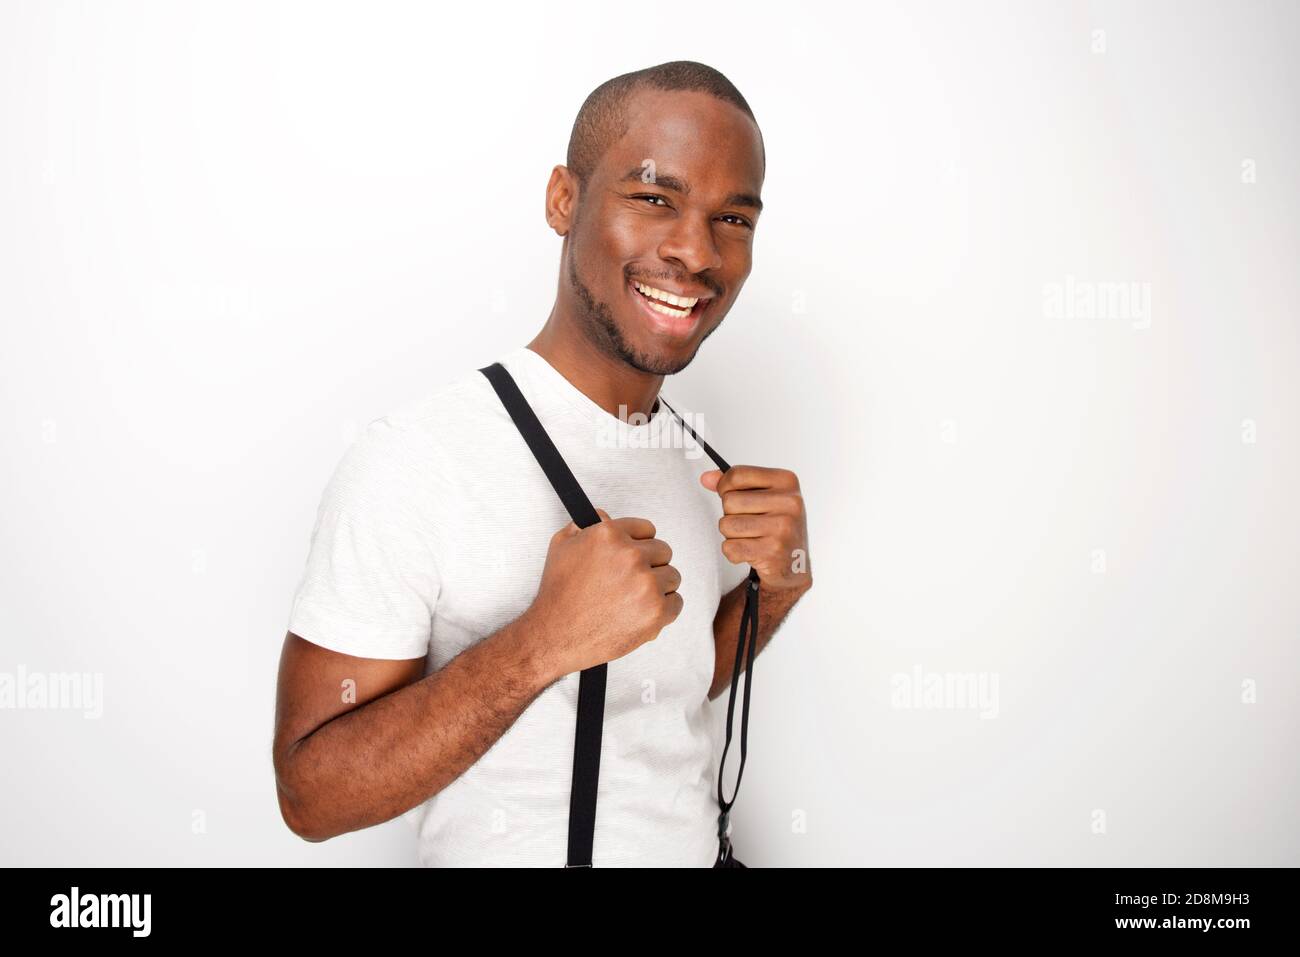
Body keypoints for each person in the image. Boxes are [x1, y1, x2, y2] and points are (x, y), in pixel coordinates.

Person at [272, 60, 813, 866]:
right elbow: (310, 795)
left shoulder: (702, 466)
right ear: (565, 200)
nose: (696, 252)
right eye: (655, 198)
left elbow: (663, 695)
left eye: (733, 219)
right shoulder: (419, 457)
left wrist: (778, 591)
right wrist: (540, 644)